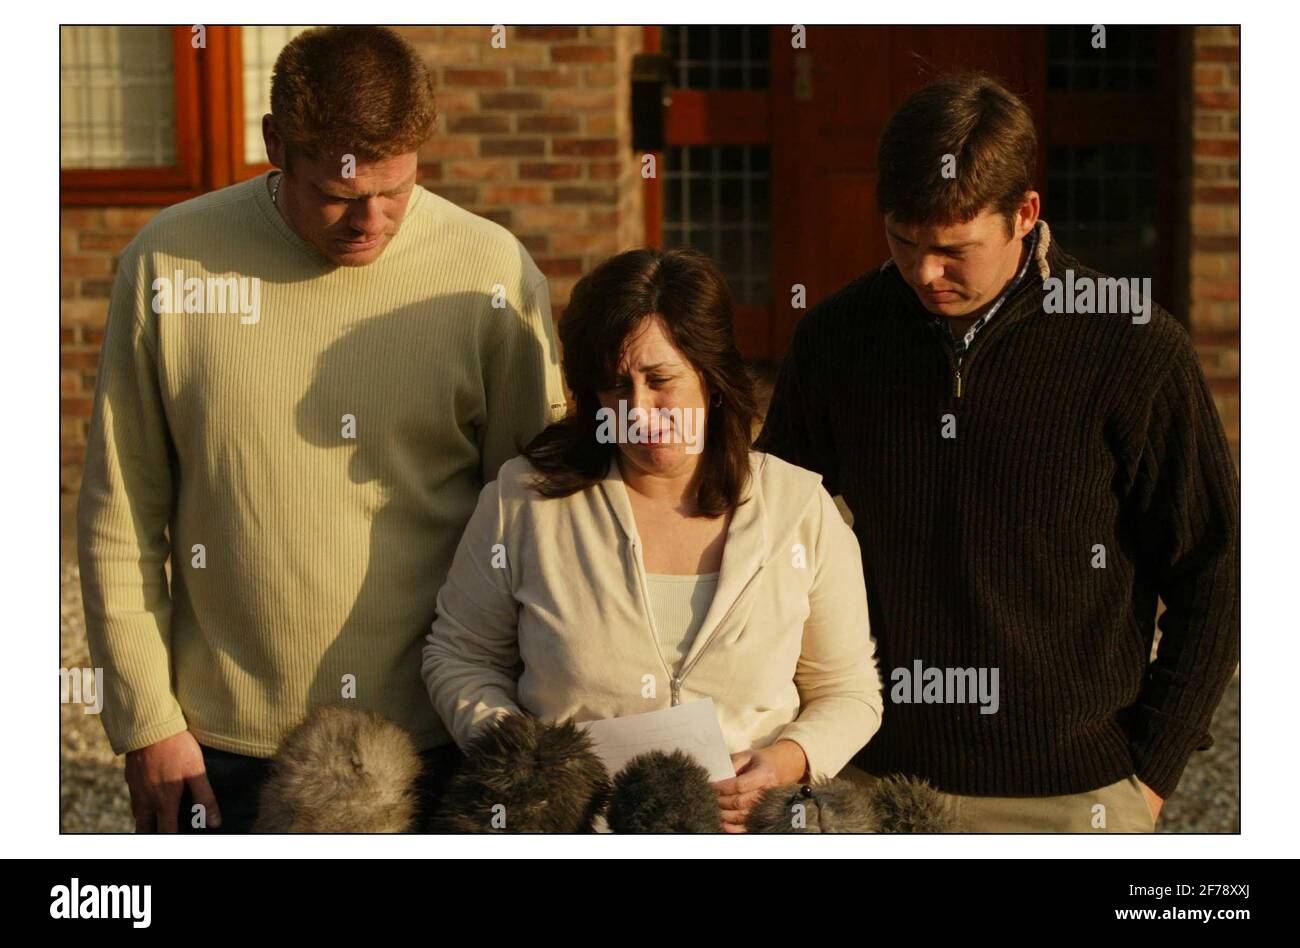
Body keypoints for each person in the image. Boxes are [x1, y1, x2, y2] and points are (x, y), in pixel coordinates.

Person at [77, 26, 565, 833]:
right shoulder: (170, 264)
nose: (369, 222)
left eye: (397, 191)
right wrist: (145, 720)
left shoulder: (492, 273)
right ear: (275, 146)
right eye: (336, 196)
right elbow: (119, 514)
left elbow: (538, 514)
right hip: (220, 748)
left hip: (438, 741)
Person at [756, 73, 1240, 833]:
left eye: (954, 251)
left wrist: (1150, 771)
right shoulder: (837, 340)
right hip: (871, 780)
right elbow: (767, 542)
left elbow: (1218, 568)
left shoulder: (1134, 346)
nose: (923, 273)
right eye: (902, 240)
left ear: (1025, 214)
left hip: (1072, 798)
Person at [422, 248, 884, 832]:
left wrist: (787, 761)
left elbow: (849, 690)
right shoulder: (524, 502)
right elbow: (459, 656)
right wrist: (532, 766)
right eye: (616, 387)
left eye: (660, 380)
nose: (638, 410)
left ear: (711, 380)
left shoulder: (799, 508)